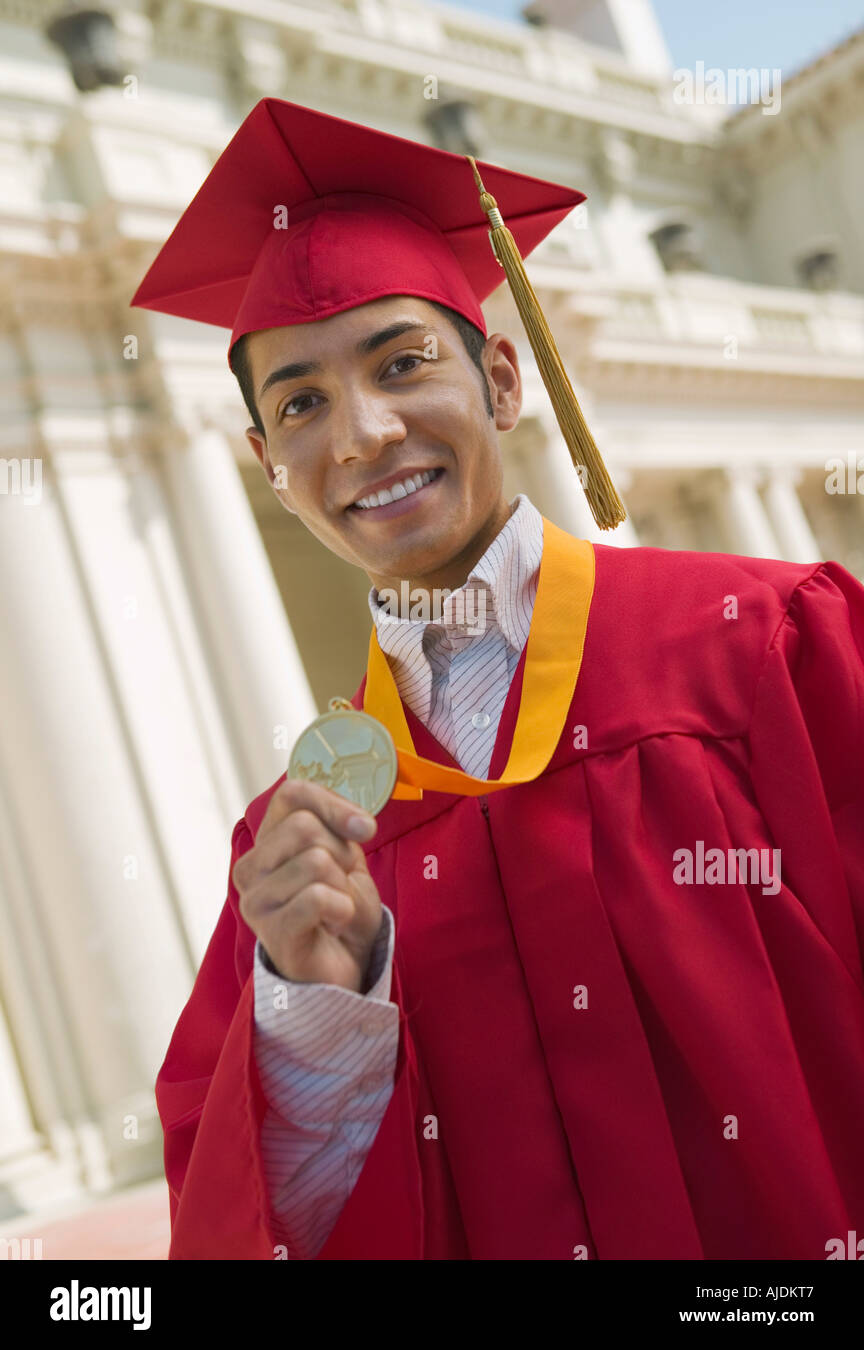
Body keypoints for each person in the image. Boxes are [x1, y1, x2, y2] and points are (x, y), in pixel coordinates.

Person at [132, 97, 864, 1261]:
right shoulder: (299, 853)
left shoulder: (766, 644)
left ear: (506, 382)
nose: (363, 434)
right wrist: (324, 1013)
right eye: (302, 404)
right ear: (272, 469)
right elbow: (258, 1222)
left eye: (403, 362)